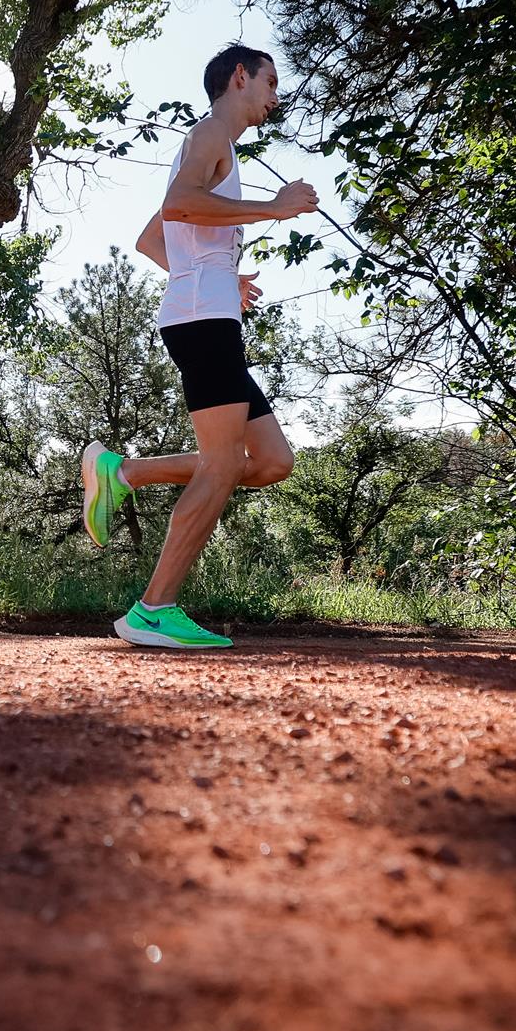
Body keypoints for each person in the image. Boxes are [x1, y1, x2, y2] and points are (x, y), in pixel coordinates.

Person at [81, 43, 318, 648]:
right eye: (269, 82)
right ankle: (153, 610)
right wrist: (275, 209)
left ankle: (122, 472)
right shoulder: (210, 132)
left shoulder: (215, 145)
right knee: (221, 465)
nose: (275, 96)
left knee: (270, 462)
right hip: (202, 322)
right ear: (240, 77)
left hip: (207, 312)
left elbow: (152, 238)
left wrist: (217, 274)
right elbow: (179, 205)